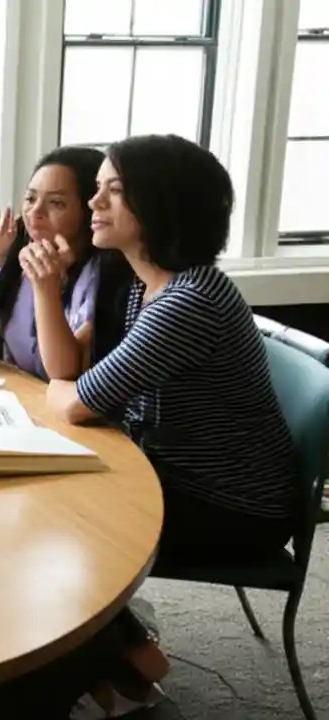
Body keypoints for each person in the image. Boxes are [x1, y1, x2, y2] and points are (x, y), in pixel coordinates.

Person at [47, 134, 299, 560]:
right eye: (97, 189)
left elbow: (77, 401)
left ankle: (108, 627)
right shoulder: (147, 287)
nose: (94, 203)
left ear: (161, 204)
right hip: (172, 477)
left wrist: (57, 388)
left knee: (60, 512)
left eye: (115, 191)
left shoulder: (190, 301)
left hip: (235, 508)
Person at [0, 146, 132, 380]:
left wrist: (46, 288)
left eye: (56, 203)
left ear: (88, 210)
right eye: (30, 198)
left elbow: (64, 373)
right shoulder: (16, 261)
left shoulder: (103, 274)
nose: (35, 212)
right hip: (21, 399)